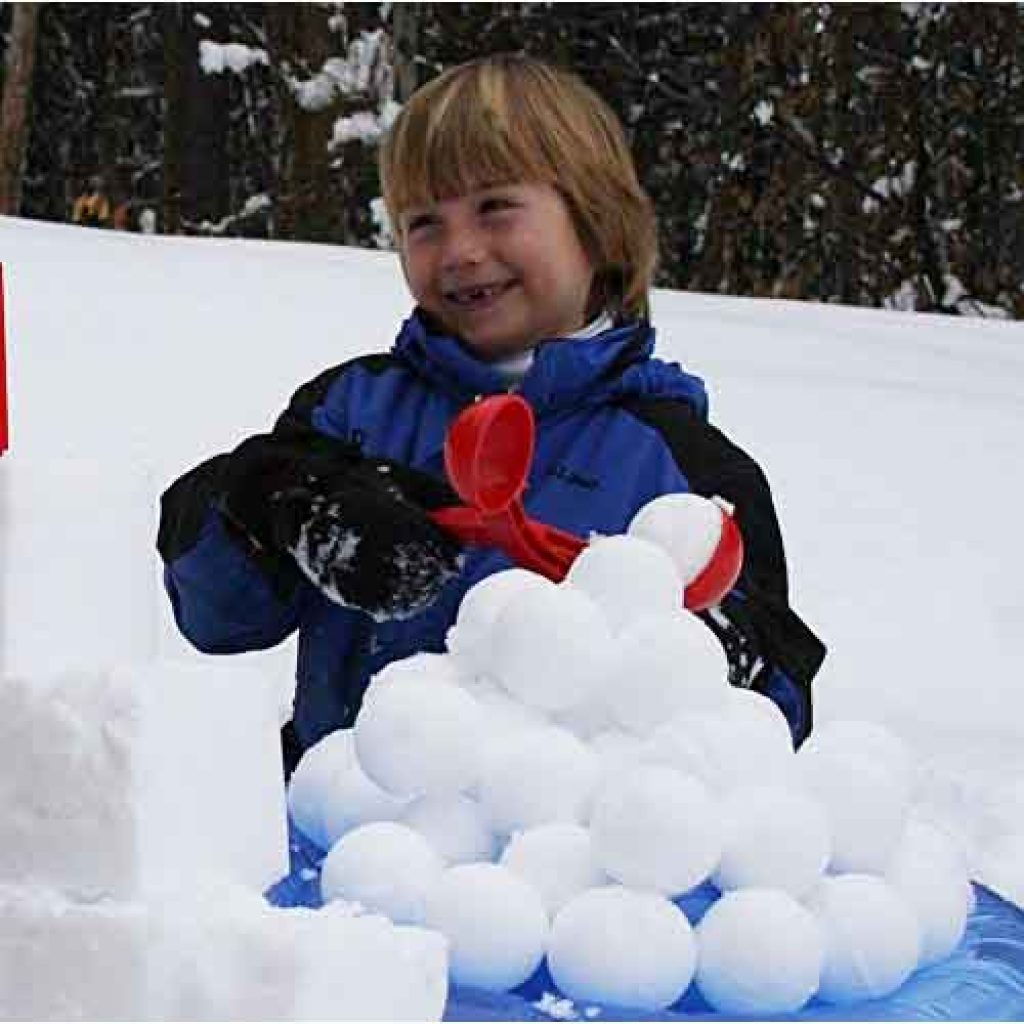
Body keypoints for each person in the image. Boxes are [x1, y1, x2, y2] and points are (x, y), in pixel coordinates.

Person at [157, 55, 825, 775]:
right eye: (423, 223)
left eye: (495, 208)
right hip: (338, 834)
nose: (461, 251)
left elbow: (769, 718)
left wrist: (689, 648)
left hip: (557, 862)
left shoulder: (681, 465)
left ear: (596, 223)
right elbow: (219, 618)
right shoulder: (351, 410)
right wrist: (275, 498)